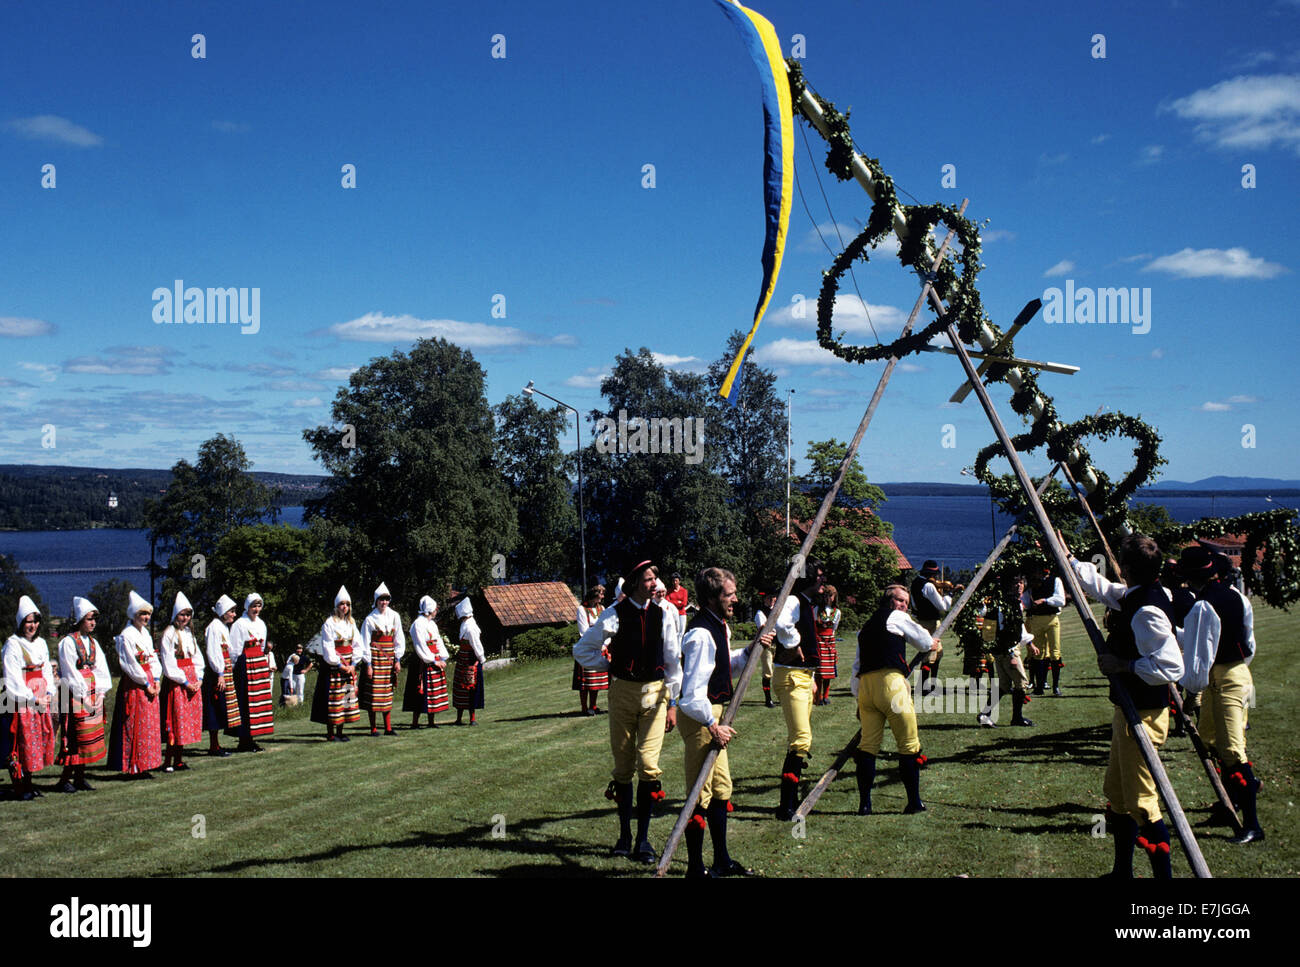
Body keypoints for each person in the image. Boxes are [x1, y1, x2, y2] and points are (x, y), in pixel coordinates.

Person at [1064, 532, 1184, 878]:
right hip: (1128, 710)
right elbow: (1104, 589)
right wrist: (1069, 558)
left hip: (1144, 715)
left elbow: (1172, 667)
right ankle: (1122, 872)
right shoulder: (1137, 595)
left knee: (1141, 802)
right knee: (1117, 795)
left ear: (1128, 568)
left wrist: (1125, 665)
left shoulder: (1147, 609)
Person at [574, 554, 682, 864]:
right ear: (635, 583)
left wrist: (673, 702)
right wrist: (609, 667)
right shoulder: (614, 614)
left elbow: (673, 661)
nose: (654, 585)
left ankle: (644, 840)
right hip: (622, 694)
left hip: (656, 696)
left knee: (648, 765)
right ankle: (624, 835)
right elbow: (582, 650)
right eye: (648, 580)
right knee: (623, 767)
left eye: (655, 579)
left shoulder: (664, 615)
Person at [678, 567, 769, 877]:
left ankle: (721, 861)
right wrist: (711, 725)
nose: (735, 599)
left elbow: (725, 666)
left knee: (721, 788)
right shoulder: (702, 634)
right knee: (699, 792)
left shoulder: (720, 627)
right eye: (729, 595)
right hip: (701, 717)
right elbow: (690, 695)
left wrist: (754, 647)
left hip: (715, 715)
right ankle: (694, 868)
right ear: (712, 598)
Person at [1176, 545, 1264, 844]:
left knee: (1232, 750)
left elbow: (1200, 655)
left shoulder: (1202, 605)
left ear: (1189, 578)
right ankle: (1231, 803)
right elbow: (1248, 641)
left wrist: (1192, 692)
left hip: (1223, 677)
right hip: (1235, 671)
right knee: (1211, 740)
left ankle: (1252, 824)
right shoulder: (1237, 596)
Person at [850, 585, 941, 815]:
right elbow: (922, 641)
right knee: (909, 745)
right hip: (891, 684)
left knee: (868, 747)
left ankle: (865, 805)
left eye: (906, 602)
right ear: (889, 600)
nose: (904, 606)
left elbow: (857, 666)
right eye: (901, 601)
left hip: (867, 689)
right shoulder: (897, 617)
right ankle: (914, 802)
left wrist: (858, 698)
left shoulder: (866, 628)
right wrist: (932, 643)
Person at [771, 560, 826, 821]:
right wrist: (794, 644)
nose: (822, 581)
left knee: (798, 740)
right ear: (807, 580)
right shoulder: (794, 601)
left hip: (803, 676)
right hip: (791, 675)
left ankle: (789, 800)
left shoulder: (804, 603)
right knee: (801, 739)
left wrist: (812, 676)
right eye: (818, 577)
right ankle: (786, 806)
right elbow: (781, 624)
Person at [2, 596, 57, 800]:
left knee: (35, 742)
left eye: (35, 621)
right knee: (21, 742)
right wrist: (31, 698)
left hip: (40, 699)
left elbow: (47, 673)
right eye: (28, 621)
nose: (32, 625)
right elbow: (13, 677)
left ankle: (29, 784)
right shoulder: (13, 645)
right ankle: (20, 787)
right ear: (21, 623)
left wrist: (49, 692)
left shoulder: (41, 643)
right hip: (22, 700)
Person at [54, 596, 112, 792]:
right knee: (74, 736)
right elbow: (69, 671)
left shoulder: (93, 643)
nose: (93, 622)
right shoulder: (68, 643)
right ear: (80, 620)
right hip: (74, 694)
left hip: (92, 693)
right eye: (89, 618)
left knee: (88, 737)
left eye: (94, 618)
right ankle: (64, 779)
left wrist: (101, 695)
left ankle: (79, 777)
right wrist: (83, 696)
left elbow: (102, 669)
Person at [108, 590, 164, 778]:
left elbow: (153, 658)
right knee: (135, 725)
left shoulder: (145, 634)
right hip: (136, 683)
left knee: (148, 725)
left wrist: (156, 679)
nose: (146, 617)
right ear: (134, 615)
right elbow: (129, 663)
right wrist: (145, 682)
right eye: (142, 614)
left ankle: (147, 763)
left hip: (149, 681)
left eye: (148, 614)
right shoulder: (127, 635)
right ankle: (134, 765)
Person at [977, 573, 1037, 728]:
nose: (1019, 586)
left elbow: (1018, 627)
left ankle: (985, 714)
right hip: (1008, 648)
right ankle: (1016, 717)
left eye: (1021, 583)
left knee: (1004, 685)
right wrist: (1011, 653)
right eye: (1015, 583)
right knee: (1022, 683)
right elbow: (1007, 629)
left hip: (1000, 648)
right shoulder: (1009, 604)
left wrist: (1030, 643)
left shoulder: (1002, 603)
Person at [159, 591, 205, 774]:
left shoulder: (189, 634)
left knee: (185, 721)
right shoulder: (169, 634)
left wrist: (199, 679)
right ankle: (169, 760)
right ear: (175, 615)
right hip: (178, 681)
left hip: (192, 678)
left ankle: (179, 758)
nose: (185, 618)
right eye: (182, 614)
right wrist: (185, 681)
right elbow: (168, 663)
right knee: (175, 720)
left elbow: (198, 657)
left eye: (187, 615)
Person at [312, 586, 361, 741]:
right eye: (341, 604)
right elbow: (328, 647)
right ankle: (331, 733)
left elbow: (358, 645)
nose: (344, 607)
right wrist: (340, 665)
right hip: (335, 666)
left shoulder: (352, 623)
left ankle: (341, 731)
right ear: (336, 605)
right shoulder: (329, 623)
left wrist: (353, 664)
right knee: (333, 699)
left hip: (348, 665)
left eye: (347, 604)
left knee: (345, 700)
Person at [358, 582, 405, 736]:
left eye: (386, 599)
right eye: (381, 599)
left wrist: (398, 659)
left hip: (389, 659)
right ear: (376, 600)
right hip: (376, 658)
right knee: (374, 693)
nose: (384, 602)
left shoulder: (395, 616)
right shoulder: (370, 619)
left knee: (386, 693)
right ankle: (373, 728)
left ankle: (388, 727)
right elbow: (364, 642)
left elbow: (399, 638)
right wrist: (368, 664)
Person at [229, 592, 274, 752]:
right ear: (247, 607)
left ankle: (252, 737)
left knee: (257, 703)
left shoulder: (261, 624)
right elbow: (234, 649)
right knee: (246, 702)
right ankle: (244, 739)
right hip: (245, 664)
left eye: (258, 606)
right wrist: (236, 666)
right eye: (253, 606)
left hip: (259, 663)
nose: (256, 609)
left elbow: (262, 647)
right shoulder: (239, 624)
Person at [202, 595, 240, 757]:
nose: (233, 614)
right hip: (216, 673)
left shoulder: (223, 627)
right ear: (223, 612)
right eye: (231, 611)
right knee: (215, 707)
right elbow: (213, 652)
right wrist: (219, 673)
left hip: (224, 671)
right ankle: (214, 745)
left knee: (221, 707)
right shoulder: (214, 627)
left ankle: (216, 744)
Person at [404, 596, 450, 729]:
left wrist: (442, 657)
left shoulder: (432, 624)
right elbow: (421, 645)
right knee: (419, 691)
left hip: (434, 658)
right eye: (435, 608)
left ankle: (431, 721)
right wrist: (433, 660)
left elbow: (438, 641)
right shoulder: (418, 624)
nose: (436, 611)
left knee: (433, 692)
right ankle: (415, 722)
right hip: (422, 660)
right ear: (430, 609)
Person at [911, 560, 956, 693]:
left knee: (938, 653)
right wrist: (950, 594)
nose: (936, 578)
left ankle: (930, 684)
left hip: (921, 620)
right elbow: (943, 606)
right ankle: (924, 687)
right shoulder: (929, 586)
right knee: (930, 655)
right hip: (930, 622)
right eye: (934, 575)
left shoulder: (915, 583)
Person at [1023, 561, 1066, 695]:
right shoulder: (1031, 585)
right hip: (1036, 619)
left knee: (1055, 652)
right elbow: (1026, 603)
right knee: (1038, 653)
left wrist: (1045, 600)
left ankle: (1055, 686)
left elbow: (1061, 600)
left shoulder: (1055, 580)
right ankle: (1039, 687)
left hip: (1052, 618)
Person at [572, 585, 608, 716]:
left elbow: (605, 626)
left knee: (595, 679)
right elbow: (584, 631)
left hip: (599, 646)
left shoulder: (601, 609)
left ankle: (593, 705)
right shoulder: (582, 609)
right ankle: (584, 707)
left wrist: (604, 643)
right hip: (587, 647)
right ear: (594, 594)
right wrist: (596, 642)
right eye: (601, 594)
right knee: (585, 681)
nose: (603, 597)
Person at [452, 597, 486, 726]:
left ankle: (472, 718)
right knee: (462, 688)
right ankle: (460, 718)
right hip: (464, 658)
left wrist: (481, 659)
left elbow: (476, 645)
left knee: (470, 686)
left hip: (470, 659)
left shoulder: (470, 626)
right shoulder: (466, 624)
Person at [814, 584, 841, 705]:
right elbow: (814, 626)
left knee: (829, 670)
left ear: (835, 597)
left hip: (830, 641)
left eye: (831, 596)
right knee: (820, 671)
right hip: (819, 640)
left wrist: (831, 639)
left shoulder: (837, 612)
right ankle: (818, 696)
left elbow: (834, 628)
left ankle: (826, 695)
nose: (829, 598)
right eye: (826, 596)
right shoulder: (817, 610)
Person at [753, 590, 777, 708]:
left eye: (774, 597)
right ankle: (768, 699)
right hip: (767, 644)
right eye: (770, 597)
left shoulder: (779, 611)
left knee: (780, 670)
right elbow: (764, 628)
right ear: (765, 600)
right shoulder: (760, 613)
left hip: (779, 644)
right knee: (768, 672)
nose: (773, 599)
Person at [666, 572, 690, 637]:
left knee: (681, 633)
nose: (675, 582)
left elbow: (684, 603)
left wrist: (673, 602)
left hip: (682, 614)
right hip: (672, 614)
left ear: (679, 581)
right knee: (673, 632)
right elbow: (667, 603)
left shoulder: (684, 591)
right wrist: (678, 602)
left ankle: (679, 647)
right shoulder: (669, 592)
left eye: (676, 580)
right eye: (673, 581)